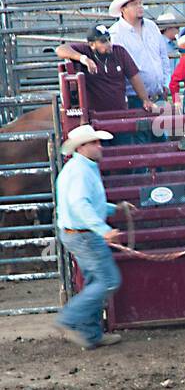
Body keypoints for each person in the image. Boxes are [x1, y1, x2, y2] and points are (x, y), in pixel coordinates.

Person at [52, 124, 124, 349]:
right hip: (84, 235)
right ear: (81, 147)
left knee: (96, 281)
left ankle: (91, 335)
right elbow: (81, 205)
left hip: (77, 233)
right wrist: (104, 230)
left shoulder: (79, 168)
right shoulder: (81, 171)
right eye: (94, 143)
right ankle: (68, 319)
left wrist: (114, 209)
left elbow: (87, 202)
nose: (99, 146)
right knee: (108, 281)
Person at [55, 25, 160, 123]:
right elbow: (60, 49)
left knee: (125, 140)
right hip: (94, 117)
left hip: (119, 114)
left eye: (109, 39)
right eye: (103, 41)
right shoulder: (86, 51)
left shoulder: (119, 52)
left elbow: (134, 76)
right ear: (92, 44)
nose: (109, 44)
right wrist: (83, 59)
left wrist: (145, 99)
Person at [108, 0, 171, 106]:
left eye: (140, 3)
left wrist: (165, 83)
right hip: (133, 98)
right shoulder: (115, 34)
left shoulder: (151, 26)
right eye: (134, 4)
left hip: (159, 94)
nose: (139, 6)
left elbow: (163, 56)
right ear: (123, 9)